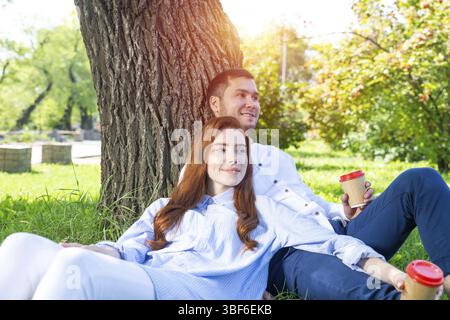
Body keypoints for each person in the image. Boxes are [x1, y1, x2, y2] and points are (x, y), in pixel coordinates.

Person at [0, 117, 405, 300]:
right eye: (222, 149)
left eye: (240, 151)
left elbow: (333, 244)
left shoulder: (265, 210)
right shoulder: (168, 206)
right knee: (21, 244)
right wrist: (86, 248)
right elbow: (125, 250)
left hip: (203, 292)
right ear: (203, 155)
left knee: (76, 272)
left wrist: (390, 274)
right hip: (148, 275)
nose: (233, 159)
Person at [204, 68, 450, 299]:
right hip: (288, 253)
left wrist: (344, 211)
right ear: (216, 104)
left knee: (421, 179)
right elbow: (204, 233)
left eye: (255, 97)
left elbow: (309, 201)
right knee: (367, 289)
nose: (252, 103)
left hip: (334, 232)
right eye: (241, 95)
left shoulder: (276, 156)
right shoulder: (205, 163)